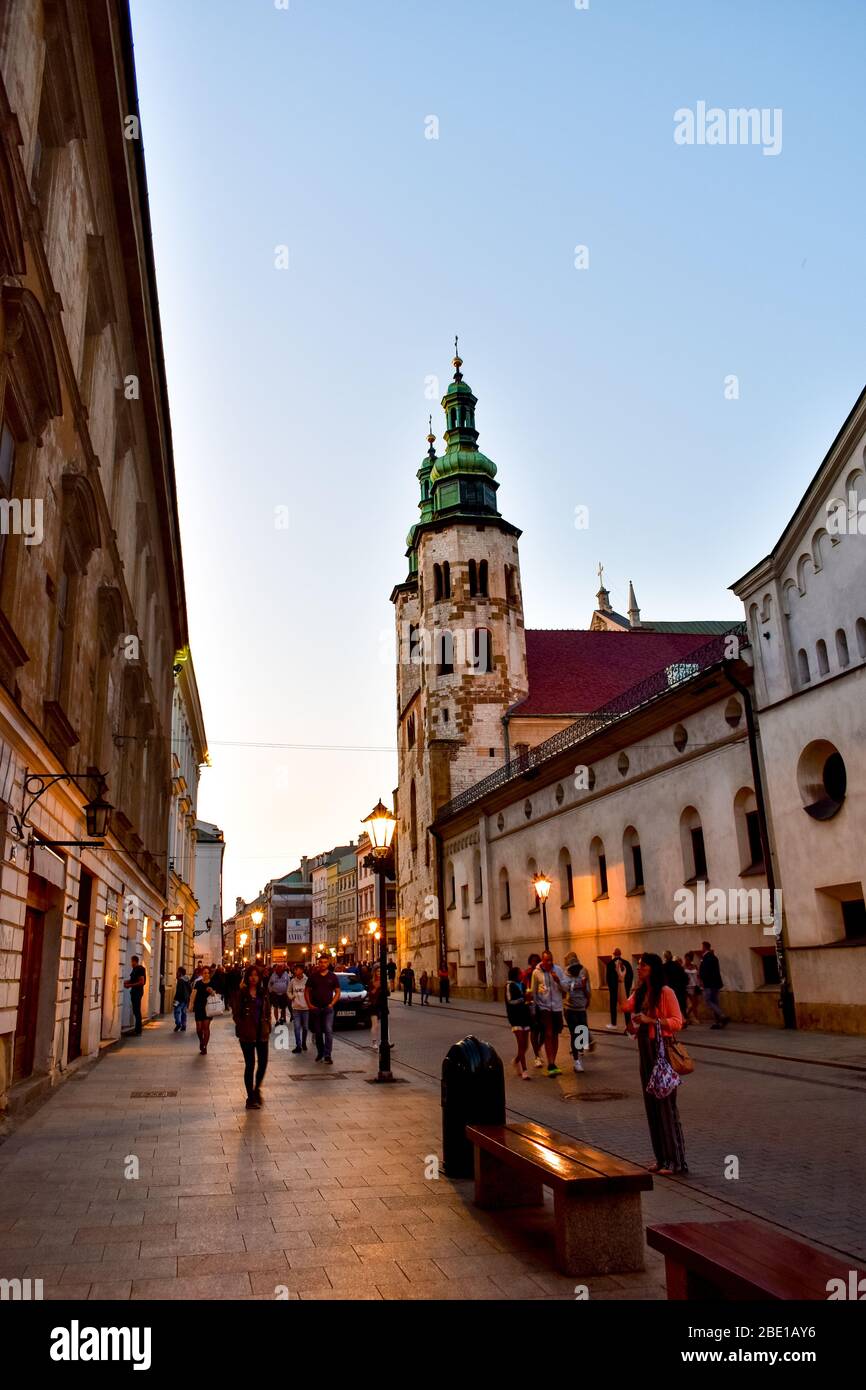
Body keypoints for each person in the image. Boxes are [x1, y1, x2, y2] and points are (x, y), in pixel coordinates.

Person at [615, 952, 688, 1175]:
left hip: (662, 1050)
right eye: (638, 965)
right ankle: (661, 1158)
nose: (639, 968)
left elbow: (677, 1022)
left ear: (653, 968)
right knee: (651, 1105)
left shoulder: (665, 992)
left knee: (665, 1105)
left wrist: (652, 1020)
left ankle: (675, 1161)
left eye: (643, 966)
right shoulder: (640, 991)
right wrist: (620, 980)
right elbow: (624, 1008)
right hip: (645, 1049)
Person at [233, 966, 271, 1108]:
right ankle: (250, 1098)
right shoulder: (241, 993)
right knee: (250, 1065)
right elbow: (236, 1013)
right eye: (251, 975)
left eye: (256, 975)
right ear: (247, 977)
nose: (253, 978)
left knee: (263, 1063)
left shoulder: (263, 992)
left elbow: (267, 1010)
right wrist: (242, 1026)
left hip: (262, 1033)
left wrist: (268, 1025)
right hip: (247, 1034)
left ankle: (256, 1089)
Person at [529, 950, 570, 1077]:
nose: (550, 962)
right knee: (548, 1033)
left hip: (557, 1007)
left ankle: (553, 1061)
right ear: (543, 960)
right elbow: (534, 991)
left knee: (555, 1035)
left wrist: (558, 981)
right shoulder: (536, 973)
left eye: (551, 960)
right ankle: (550, 1064)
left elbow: (566, 988)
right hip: (544, 1007)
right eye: (547, 960)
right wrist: (534, 1009)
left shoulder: (558, 970)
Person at [305, 954, 341, 1063]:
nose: (323, 964)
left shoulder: (332, 976)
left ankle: (327, 1055)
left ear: (328, 963)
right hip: (316, 1009)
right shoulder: (313, 976)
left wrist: (332, 1003)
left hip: (328, 1009)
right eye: (321, 962)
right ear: (318, 963)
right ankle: (320, 1052)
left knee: (329, 1031)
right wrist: (309, 1005)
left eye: (325, 962)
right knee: (318, 1032)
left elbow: (338, 991)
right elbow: (306, 991)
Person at [563, 952, 591, 1073]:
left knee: (583, 1032)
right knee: (575, 1034)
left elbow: (588, 992)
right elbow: (566, 989)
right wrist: (577, 985)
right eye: (573, 968)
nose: (575, 970)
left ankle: (579, 1050)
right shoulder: (566, 975)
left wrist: (584, 988)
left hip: (581, 1008)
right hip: (570, 1009)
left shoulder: (583, 974)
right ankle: (576, 1061)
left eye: (577, 968)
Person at [505, 966, 532, 1079]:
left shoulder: (523, 985)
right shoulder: (509, 986)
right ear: (515, 975)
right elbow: (510, 1000)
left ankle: (516, 1060)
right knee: (520, 1042)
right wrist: (523, 999)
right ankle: (524, 1069)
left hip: (525, 1017)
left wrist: (530, 1001)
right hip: (515, 1018)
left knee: (525, 1045)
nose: (522, 974)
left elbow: (527, 1000)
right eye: (521, 973)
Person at [699, 941, 728, 1028]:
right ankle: (718, 1022)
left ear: (704, 947)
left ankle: (722, 1015)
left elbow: (704, 971)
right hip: (716, 983)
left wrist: (702, 981)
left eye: (702, 947)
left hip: (709, 984)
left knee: (709, 1001)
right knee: (715, 1002)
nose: (701, 949)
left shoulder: (705, 958)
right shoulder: (714, 957)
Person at [522, 953, 544, 1068]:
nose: (535, 963)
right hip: (531, 1006)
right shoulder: (526, 974)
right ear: (530, 963)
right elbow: (523, 988)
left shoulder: (541, 973)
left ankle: (539, 1047)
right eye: (533, 961)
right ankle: (537, 1056)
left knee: (544, 1031)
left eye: (537, 961)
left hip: (542, 1005)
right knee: (534, 1031)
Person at [190, 966, 216, 1054]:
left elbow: (215, 995)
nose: (206, 975)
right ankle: (201, 1041)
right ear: (202, 974)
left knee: (206, 1027)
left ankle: (204, 1046)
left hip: (208, 1007)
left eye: (208, 973)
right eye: (205, 973)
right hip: (198, 1007)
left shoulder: (212, 983)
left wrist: (211, 991)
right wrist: (191, 1005)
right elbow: (193, 994)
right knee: (199, 1028)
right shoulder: (198, 983)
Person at [605, 949, 633, 1031]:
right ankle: (627, 1024)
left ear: (613, 954)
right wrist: (628, 987)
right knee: (626, 1006)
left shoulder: (610, 964)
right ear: (620, 954)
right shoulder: (627, 963)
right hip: (624, 989)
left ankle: (614, 1024)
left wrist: (611, 988)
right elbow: (631, 976)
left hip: (614, 990)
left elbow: (608, 978)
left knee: (613, 1006)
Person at [663, 951, 689, 1025]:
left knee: (673, 1006)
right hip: (680, 989)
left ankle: (681, 1021)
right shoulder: (678, 966)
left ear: (665, 957)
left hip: (671, 989)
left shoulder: (664, 967)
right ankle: (683, 1020)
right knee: (681, 1005)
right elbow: (685, 977)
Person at [288, 964, 309, 1053]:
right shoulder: (293, 981)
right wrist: (291, 996)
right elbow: (288, 990)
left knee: (305, 1027)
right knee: (296, 1027)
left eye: (296, 970)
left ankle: (304, 1042)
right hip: (296, 1008)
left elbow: (310, 991)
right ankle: (298, 1045)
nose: (295, 971)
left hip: (305, 1008)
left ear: (301, 970)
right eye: (295, 970)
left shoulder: (307, 980)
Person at [123, 955, 147, 1035]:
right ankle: (137, 1029)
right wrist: (126, 981)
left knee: (137, 1011)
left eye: (131, 961)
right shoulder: (135, 969)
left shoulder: (140, 969)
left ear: (134, 961)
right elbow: (133, 979)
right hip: (134, 992)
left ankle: (138, 1030)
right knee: (136, 1010)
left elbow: (141, 982)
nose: (131, 963)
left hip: (138, 992)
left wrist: (130, 985)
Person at [683, 951, 702, 1024]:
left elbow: (698, 976)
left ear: (691, 960)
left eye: (688, 959)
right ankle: (692, 1017)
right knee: (690, 1003)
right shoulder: (683, 967)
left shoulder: (695, 966)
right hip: (686, 986)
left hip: (694, 986)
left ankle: (689, 1015)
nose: (687, 961)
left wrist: (700, 983)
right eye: (686, 959)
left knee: (695, 1003)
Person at [173, 967, 191, 1032]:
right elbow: (190, 989)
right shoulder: (187, 980)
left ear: (180, 972)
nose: (176, 973)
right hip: (186, 999)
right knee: (184, 1012)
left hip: (179, 999)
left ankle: (178, 1023)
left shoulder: (180, 980)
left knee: (176, 1011)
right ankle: (184, 1025)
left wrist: (175, 1000)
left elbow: (179, 991)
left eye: (177, 971)